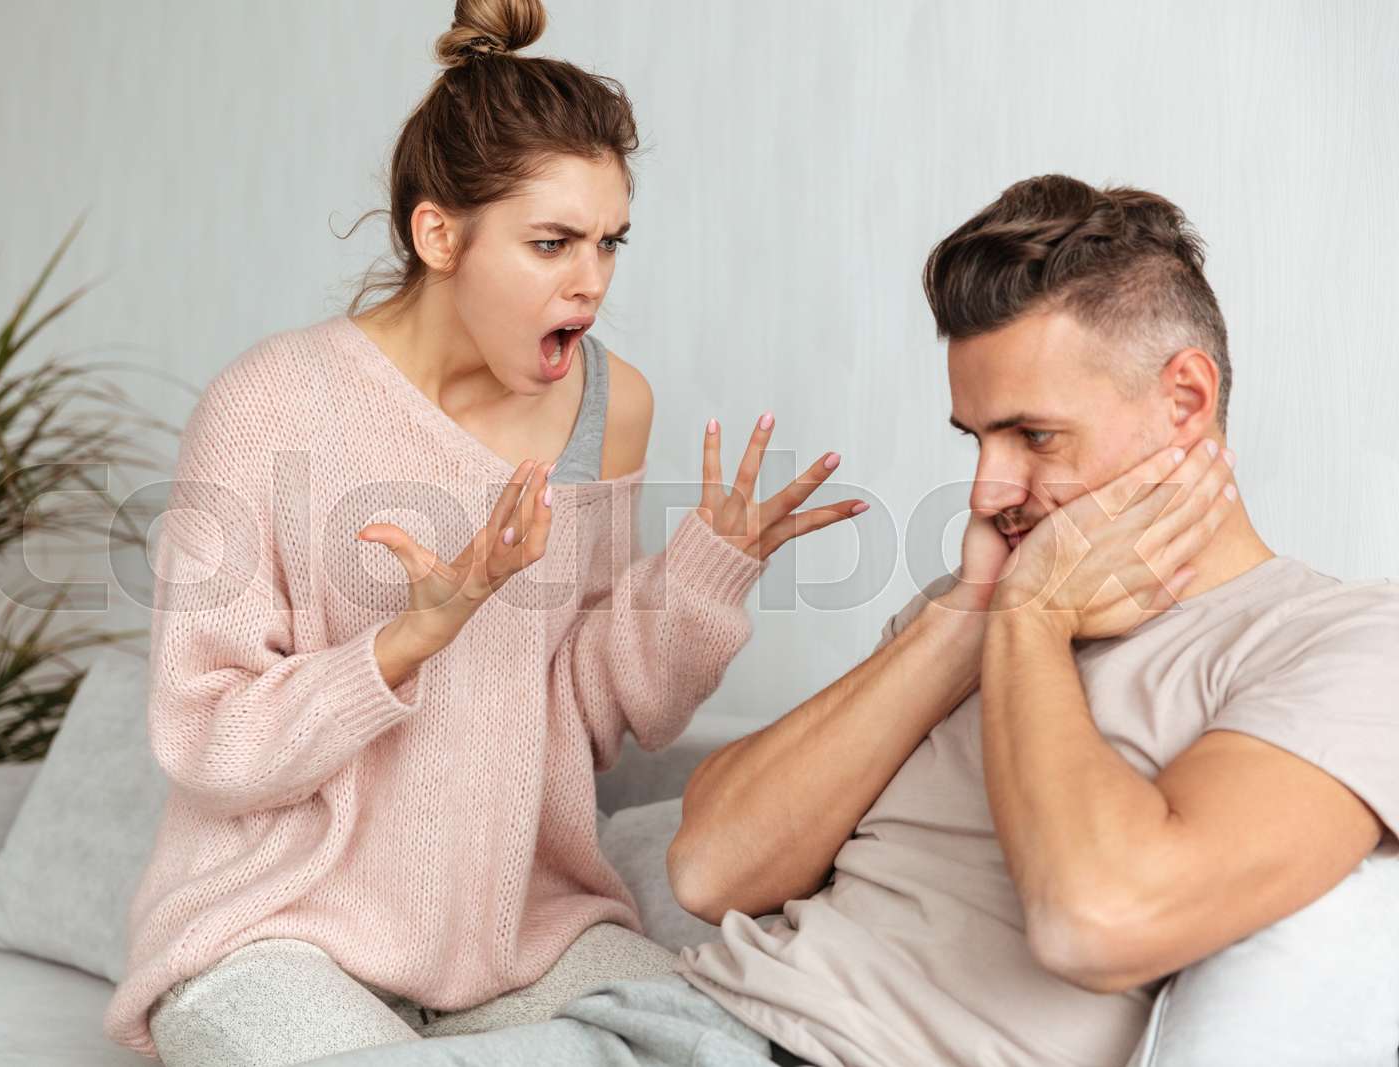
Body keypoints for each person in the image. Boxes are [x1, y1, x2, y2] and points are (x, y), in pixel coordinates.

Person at [311, 176, 1399, 1067]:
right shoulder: (978, 600)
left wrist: (1027, 622)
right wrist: (968, 616)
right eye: (975, 437)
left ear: (1186, 399)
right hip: (681, 1019)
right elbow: (710, 865)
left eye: (1034, 436)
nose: (987, 488)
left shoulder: (1338, 641)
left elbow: (1098, 919)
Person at [100, 0, 865, 1062]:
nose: (589, 280)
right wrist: (410, 637)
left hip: (521, 929)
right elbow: (206, 735)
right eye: (550, 242)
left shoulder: (609, 407)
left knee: (733, 1047)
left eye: (608, 242)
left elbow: (592, 711)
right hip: (276, 925)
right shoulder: (271, 405)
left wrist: (703, 571)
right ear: (439, 233)